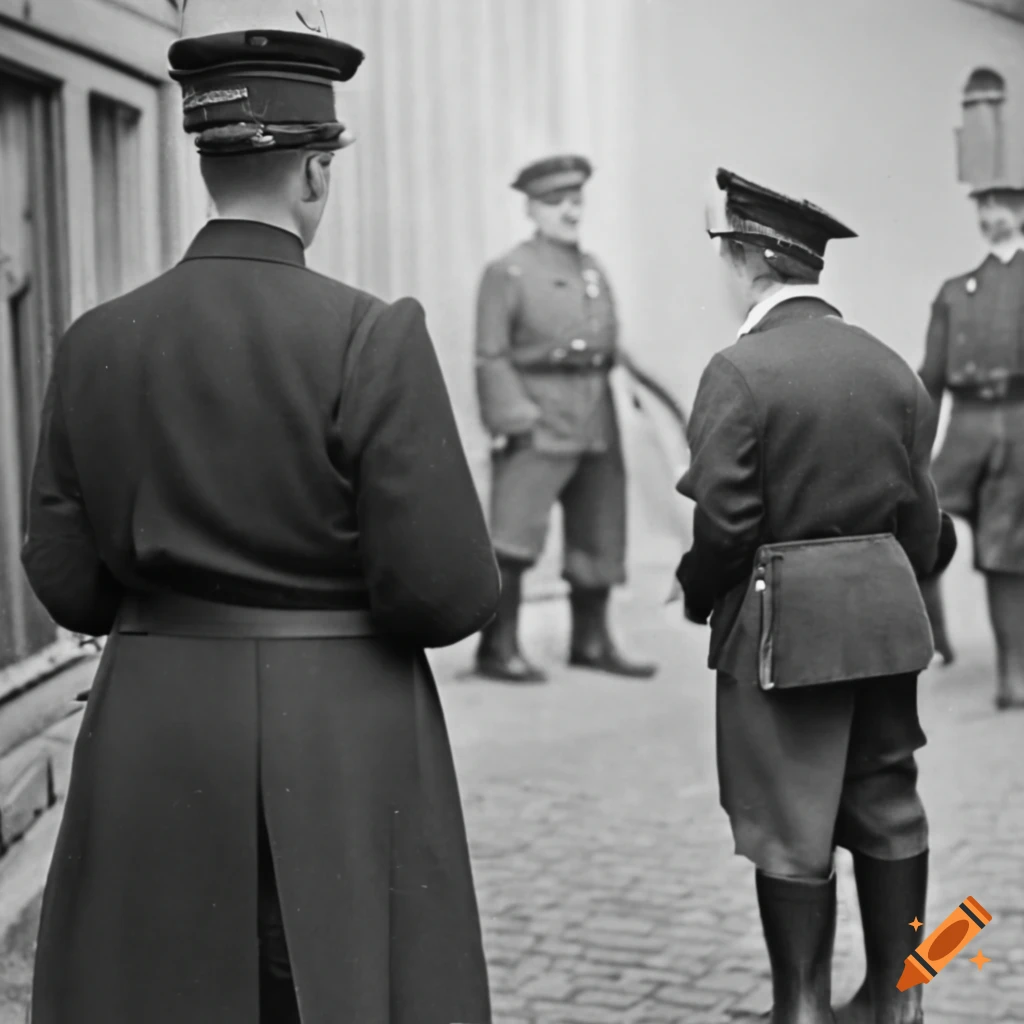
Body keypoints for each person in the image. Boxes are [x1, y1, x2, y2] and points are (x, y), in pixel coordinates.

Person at [21, 4, 499, 1023]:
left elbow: (65, 578)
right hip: (346, 730)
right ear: (316, 170)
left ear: (206, 160)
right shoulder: (371, 336)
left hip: (154, 723)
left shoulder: (95, 338)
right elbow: (448, 588)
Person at [676, 169, 957, 1024]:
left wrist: (698, 596)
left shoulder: (738, 371)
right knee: (886, 800)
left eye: (725, 252)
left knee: (793, 824)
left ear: (751, 261)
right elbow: (924, 524)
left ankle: (801, 1011)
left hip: (783, 630)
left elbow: (726, 527)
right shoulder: (888, 366)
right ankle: (896, 1003)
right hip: (884, 624)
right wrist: (883, 585)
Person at [473, 154, 659, 684]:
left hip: (594, 414)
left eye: (576, 200)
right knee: (513, 534)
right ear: (532, 208)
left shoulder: (591, 268)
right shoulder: (508, 270)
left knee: (599, 530)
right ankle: (498, 645)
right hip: (538, 413)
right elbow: (490, 355)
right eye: (556, 201)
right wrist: (515, 417)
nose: (569, 211)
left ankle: (591, 640)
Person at [918, 186, 1024, 710]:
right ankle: (935, 643)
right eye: (982, 206)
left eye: (1000, 204)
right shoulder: (956, 291)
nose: (989, 216)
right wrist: (912, 454)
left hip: (1021, 422)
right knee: (918, 516)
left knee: (1004, 548)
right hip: (968, 425)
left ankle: (1013, 675)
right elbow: (931, 380)